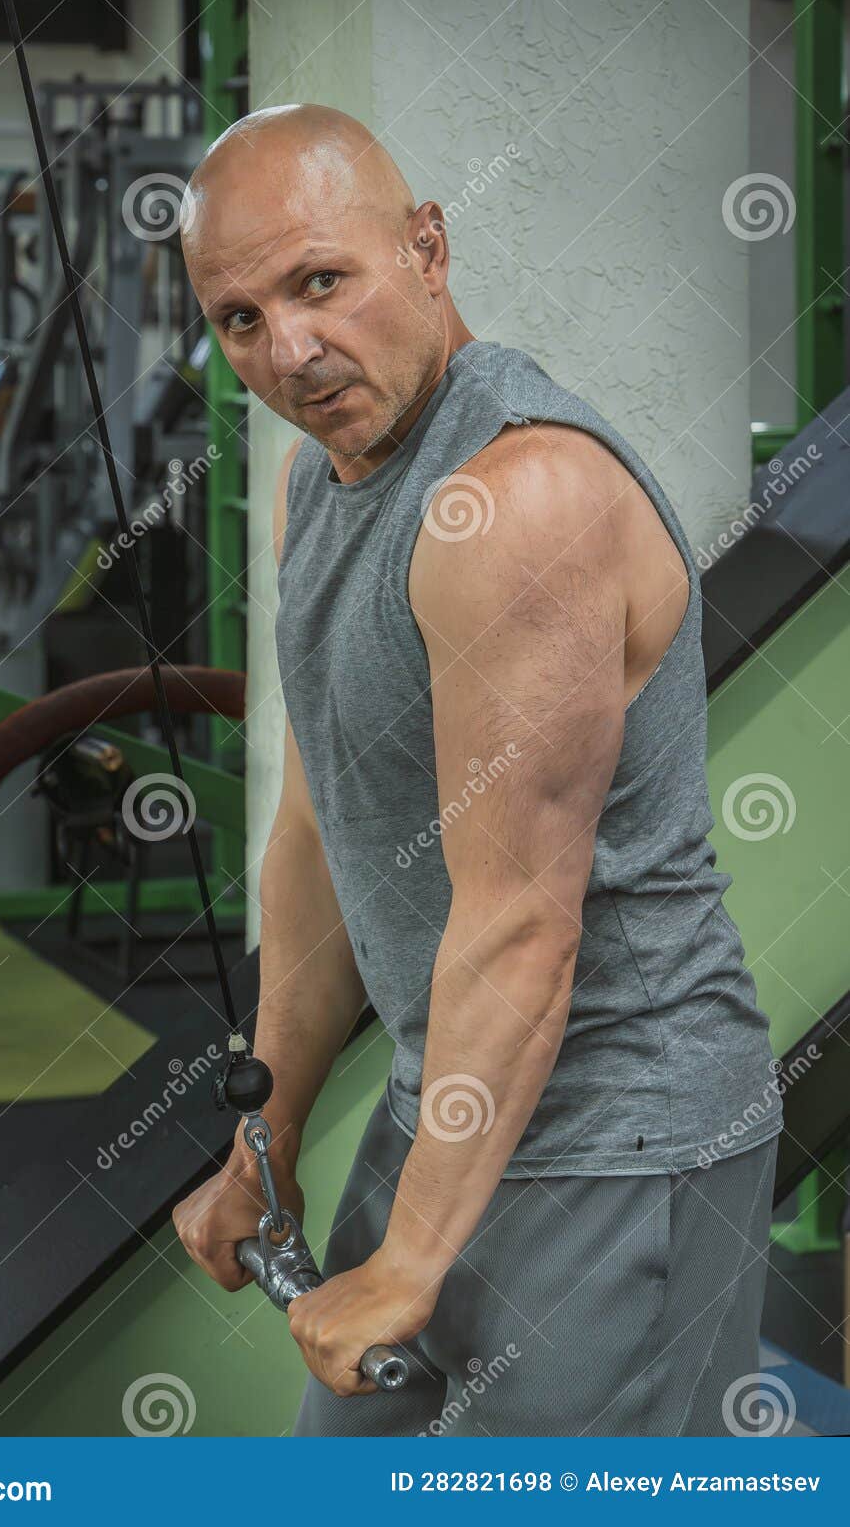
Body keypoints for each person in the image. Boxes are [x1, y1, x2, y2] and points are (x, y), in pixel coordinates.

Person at [171, 103, 781, 1437]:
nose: (290, 351)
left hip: (620, 1135)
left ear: (428, 248)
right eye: (241, 318)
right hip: (442, 1106)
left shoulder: (518, 502)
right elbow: (315, 839)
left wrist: (407, 1263)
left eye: (320, 282)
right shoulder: (316, 486)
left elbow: (518, 926)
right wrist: (266, 1142)